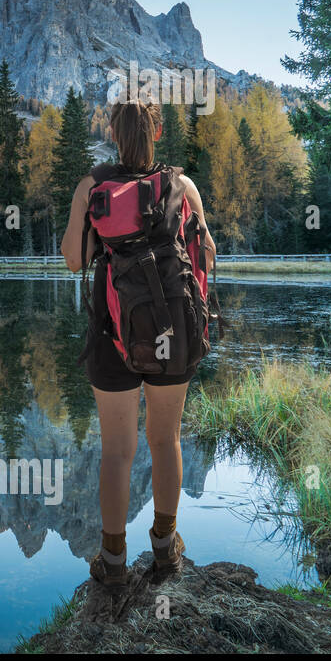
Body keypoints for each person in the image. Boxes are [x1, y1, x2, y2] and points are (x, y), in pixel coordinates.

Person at [59, 96, 216, 585]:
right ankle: (166, 550)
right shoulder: (182, 185)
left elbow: (72, 259)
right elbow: (206, 253)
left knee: (116, 452)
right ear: (157, 134)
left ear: (112, 134)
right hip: (173, 330)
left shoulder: (93, 185)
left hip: (113, 333)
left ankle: (112, 562)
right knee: (166, 440)